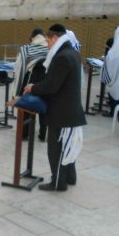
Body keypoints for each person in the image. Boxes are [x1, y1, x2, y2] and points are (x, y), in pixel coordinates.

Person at [23, 23, 86, 192]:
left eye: (48, 41)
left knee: (56, 149)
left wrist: (33, 87)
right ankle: (70, 177)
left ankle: (58, 183)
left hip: (61, 113)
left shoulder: (62, 57)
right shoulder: (72, 52)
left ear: (55, 38)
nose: (47, 44)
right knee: (68, 146)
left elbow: (51, 86)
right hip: (70, 110)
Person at [11, 28, 49, 141]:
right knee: (43, 105)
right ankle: (43, 134)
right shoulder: (50, 48)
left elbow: (19, 67)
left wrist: (17, 89)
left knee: (27, 105)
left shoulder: (26, 49)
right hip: (46, 81)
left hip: (30, 80)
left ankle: (25, 134)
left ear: (32, 38)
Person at [101, 28, 119, 117]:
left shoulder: (114, 51)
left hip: (115, 80)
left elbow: (109, 67)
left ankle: (113, 113)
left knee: (114, 93)